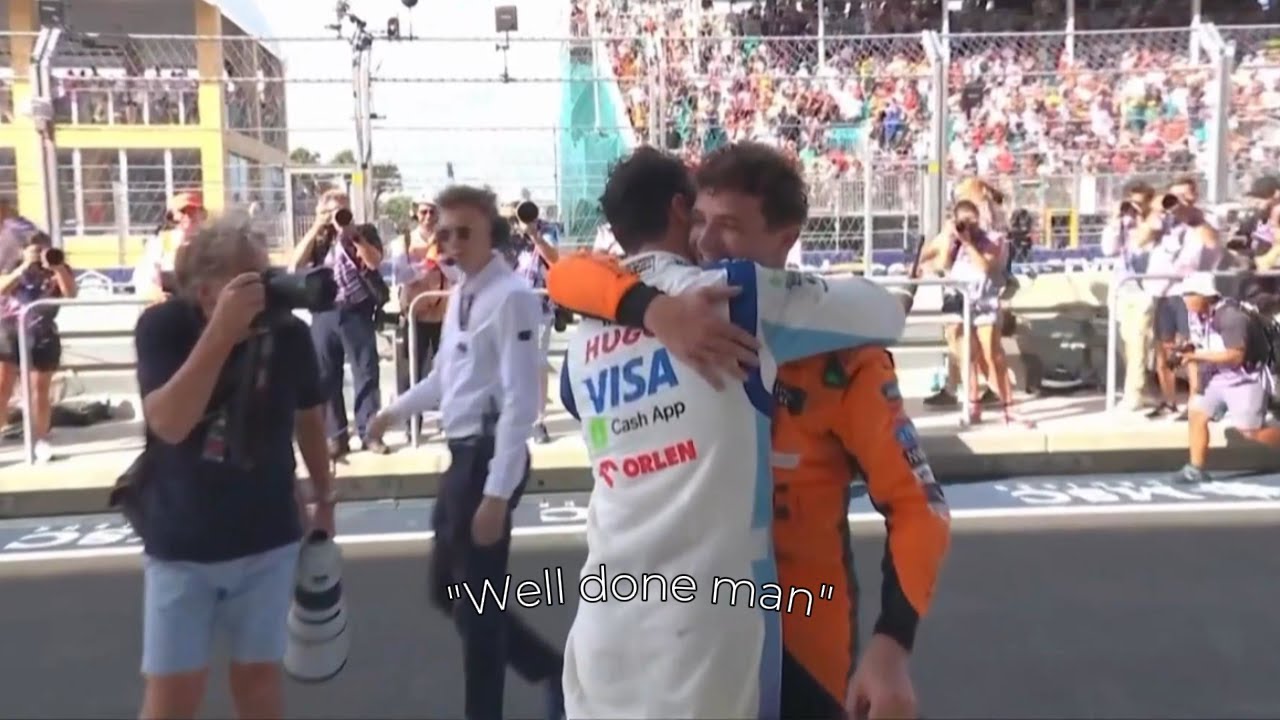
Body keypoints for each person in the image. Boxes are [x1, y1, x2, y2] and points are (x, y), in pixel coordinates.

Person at [547, 143, 947, 720]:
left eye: (728, 227)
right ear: (683, 212)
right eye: (702, 223)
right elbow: (573, 276)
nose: (707, 244)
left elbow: (918, 507)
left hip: (798, 650)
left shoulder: (844, 360)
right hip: (688, 636)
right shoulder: (675, 305)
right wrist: (652, 311)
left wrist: (891, 646)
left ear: (786, 239)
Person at [365, 186, 565, 720]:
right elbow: (442, 379)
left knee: (478, 605)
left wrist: (498, 493)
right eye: (443, 232)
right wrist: (393, 412)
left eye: (463, 232)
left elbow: (522, 399)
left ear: (490, 235)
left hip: (488, 454)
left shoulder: (512, 298)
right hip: (463, 456)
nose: (449, 241)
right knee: (449, 590)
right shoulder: (463, 295)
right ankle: (550, 669)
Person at [132, 214, 336, 720]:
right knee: (173, 694)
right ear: (205, 293)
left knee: (260, 685)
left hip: (267, 536)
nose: (265, 292)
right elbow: (170, 424)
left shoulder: (287, 334)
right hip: (183, 540)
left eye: (265, 276)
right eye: (249, 282)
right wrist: (221, 334)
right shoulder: (164, 327)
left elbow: (310, 418)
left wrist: (324, 497)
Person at [290, 189, 388, 457]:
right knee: (326, 376)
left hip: (357, 310)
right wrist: (316, 226)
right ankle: (336, 436)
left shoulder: (363, 231)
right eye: (332, 210)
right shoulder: (319, 238)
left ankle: (370, 432)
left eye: (343, 208)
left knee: (366, 372)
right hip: (324, 311)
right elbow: (295, 263)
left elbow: (375, 262)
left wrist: (353, 234)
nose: (338, 215)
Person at [920, 200, 1031, 426]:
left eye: (972, 221)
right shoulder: (953, 240)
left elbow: (985, 266)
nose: (968, 226)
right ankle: (973, 405)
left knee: (992, 355)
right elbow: (942, 265)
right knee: (966, 356)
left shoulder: (992, 239)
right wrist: (949, 240)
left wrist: (968, 243)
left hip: (984, 303)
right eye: (963, 222)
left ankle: (1009, 406)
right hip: (961, 302)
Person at [1173, 272, 1280, 483]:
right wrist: (1186, 349)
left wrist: (1196, 356)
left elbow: (1235, 356)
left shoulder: (1231, 317)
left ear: (1204, 295)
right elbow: (1203, 341)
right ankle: (1195, 468)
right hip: (1215, 376)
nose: (1184, 299)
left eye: (1189, 294)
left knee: (1250, 431)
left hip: (1244, 378)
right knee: (1197, 414)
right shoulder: (1196, 314)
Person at [1145, 181, 1222, 420]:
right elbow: (1141, 239)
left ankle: (1196, 404)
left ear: (1194, 195)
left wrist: (1192, 217)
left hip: (1191, 290)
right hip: (1162, 289)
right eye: (1174, 196)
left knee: (1192, 350)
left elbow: (1212, 243)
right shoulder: (1164, 221)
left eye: (1184, 196)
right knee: (1164, 349)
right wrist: (1156, 211)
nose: (1178, 202)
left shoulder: (1205, 218)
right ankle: (1168, 401)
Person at [0, 231, 77, 462]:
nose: (39, 251)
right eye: (34, 247)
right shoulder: (13, 267)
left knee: (38, 390)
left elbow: (71, 294)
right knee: (3, 386)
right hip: (10, 331)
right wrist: (24, 266)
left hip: (42, 332)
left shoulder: (57, 267)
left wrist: (57, 267)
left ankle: (40, 438)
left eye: (43, 246)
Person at [392, 196, 450, 436]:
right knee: (411, 372)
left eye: (432, 212)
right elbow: (401, 275)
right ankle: (411, 423)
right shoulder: (402, 242)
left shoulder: (448, 240)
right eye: (424, 212)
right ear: (416, 213)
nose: (428, 217)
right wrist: (427, 263)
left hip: (443, 316)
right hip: (414, 315)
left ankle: (446, 417)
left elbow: (457, 273)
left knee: (445, 371)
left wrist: (442, 258)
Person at [1100, 180, 1159, 411]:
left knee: (1138, 340)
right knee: (1126, 344)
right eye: (1133, 202)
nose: (1136, 208)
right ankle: (1140, 388)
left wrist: (1144, 222)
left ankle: (1133, 394)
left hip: (1145, 289)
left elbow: (1143, 250)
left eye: (1141, 203)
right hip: (1122, 289)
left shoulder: (1154, 224)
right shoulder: (1123, 224)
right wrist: (1116, 221)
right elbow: (1108, 249)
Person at [510, 211, 559, 444]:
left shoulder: (547, 231)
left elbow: (555, 259)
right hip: (511, 309)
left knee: (538, 363)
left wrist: (535, 236)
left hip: (540, 308)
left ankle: (539, 420)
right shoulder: (508, 233)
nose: (524, 215)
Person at [132, 191, 206, 302]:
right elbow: (145, 276)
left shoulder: (209, 243)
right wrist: (157, 293)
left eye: (193, 211)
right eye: (182, 211)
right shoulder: (161, 242)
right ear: (173, 216)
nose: (188, 216)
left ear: (202, 215)